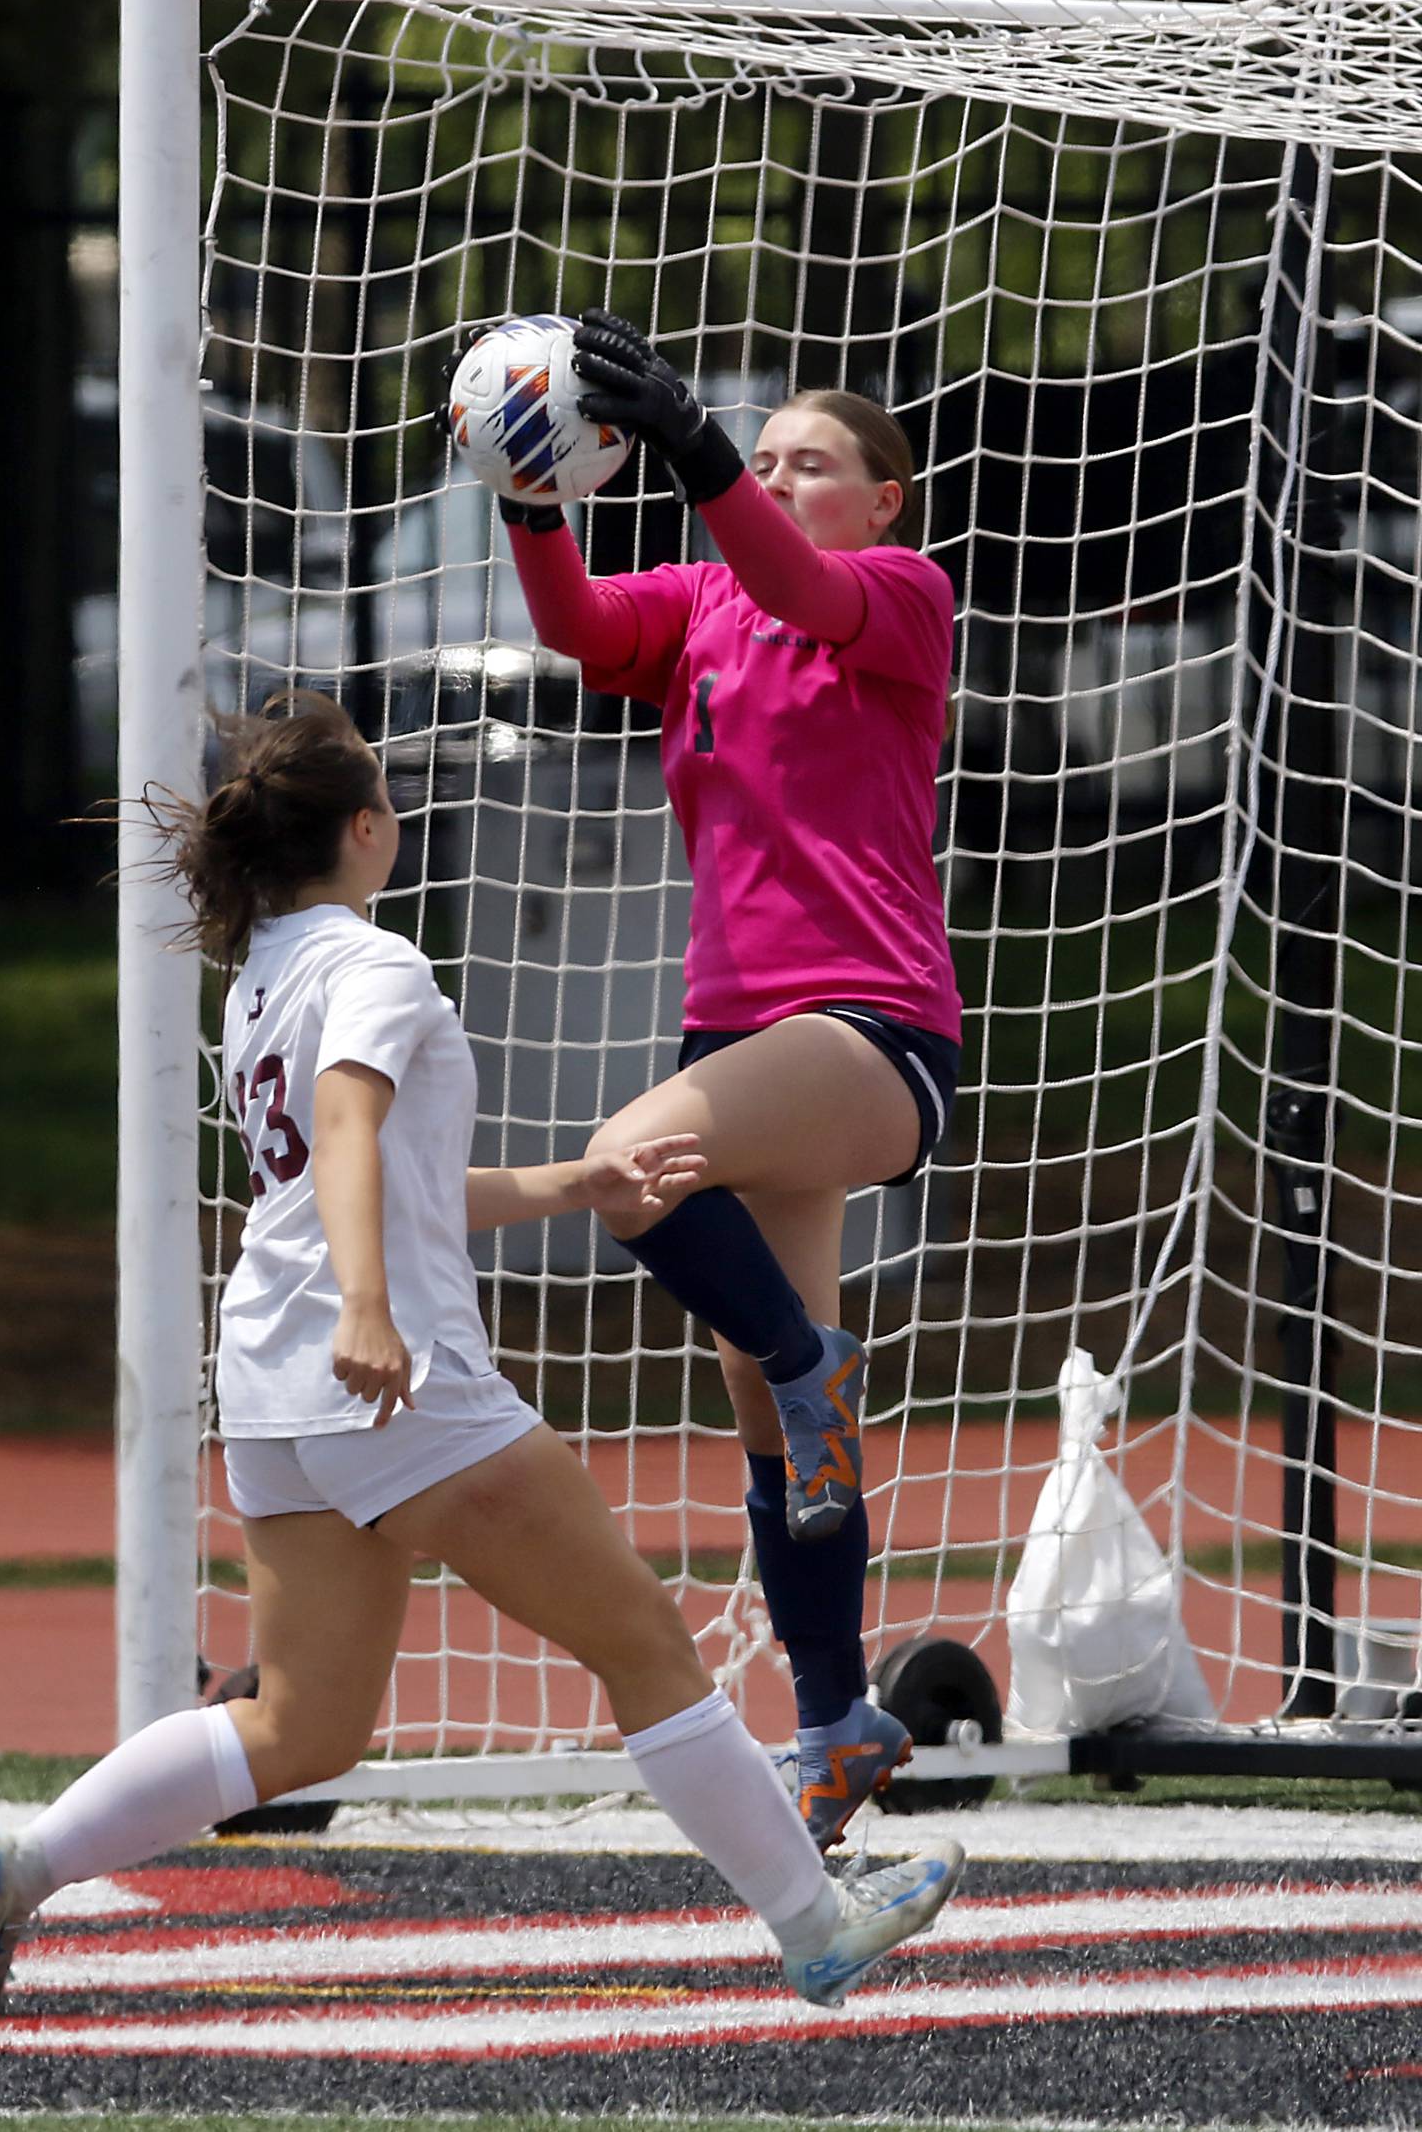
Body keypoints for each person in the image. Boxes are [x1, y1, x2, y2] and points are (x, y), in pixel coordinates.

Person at [0, 694, 962, 2018]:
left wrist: (571, 1181)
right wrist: (371, 1306)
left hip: (269, 1385)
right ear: (369, 829)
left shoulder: (261, 980)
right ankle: (816, 1924)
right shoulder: (375, 966)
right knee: (647, 1638)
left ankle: (17, 1864)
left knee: (303, 1725)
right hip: (391, 1377)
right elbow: (354, 1135)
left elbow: (393, 1171)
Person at [488, 311, 962, 1854]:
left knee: (630, 1169)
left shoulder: (897, 590)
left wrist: (695, 451)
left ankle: (809, 1359)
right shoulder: (701, 601)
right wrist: (529, 488)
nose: (776, 474)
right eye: (762, 458)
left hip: (873, 1029)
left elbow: (801, 582)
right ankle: (838, 1717)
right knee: (771, 1422)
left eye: (809, 461)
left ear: (885, 496)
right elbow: (570, 628)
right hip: (743, 1043)